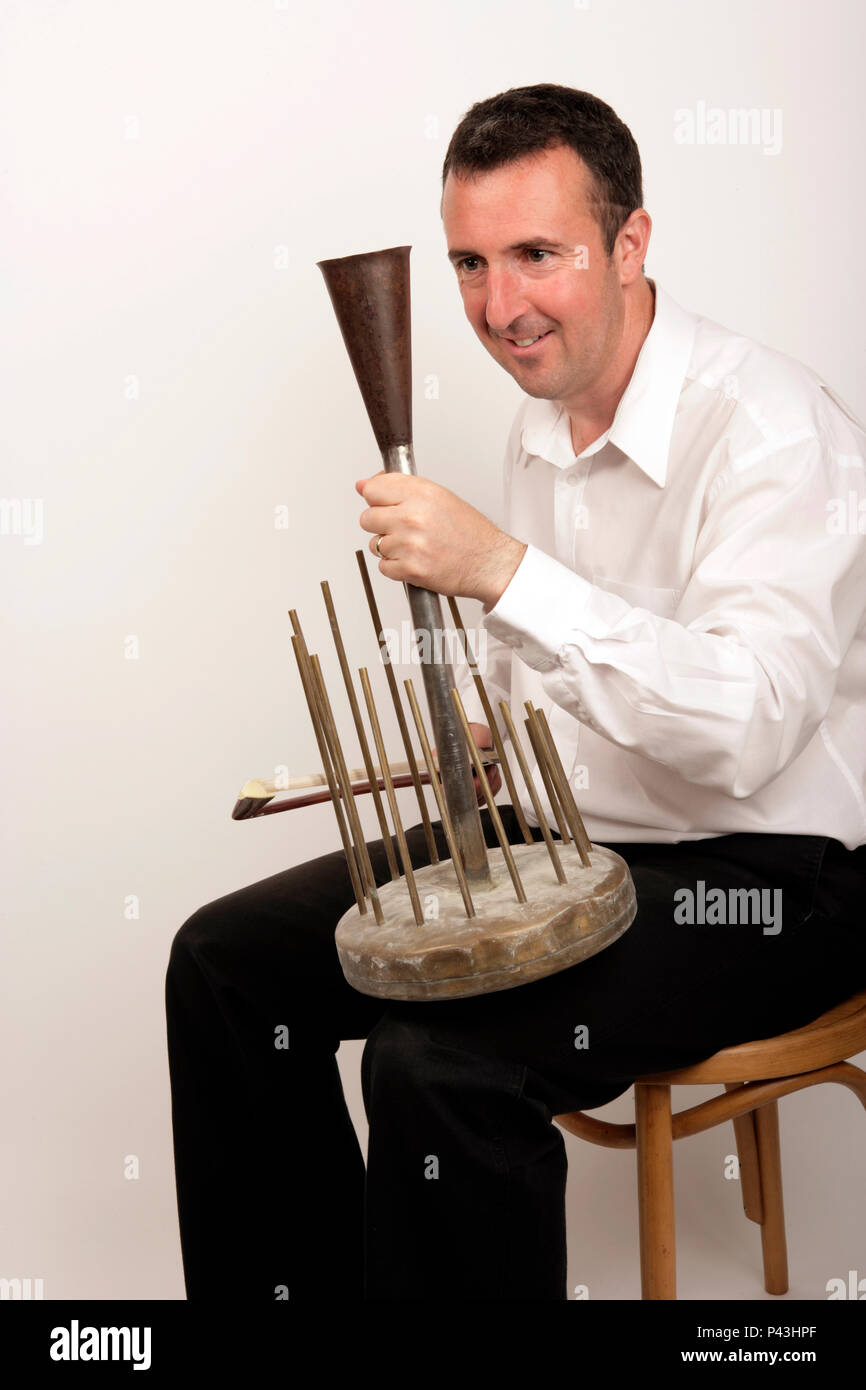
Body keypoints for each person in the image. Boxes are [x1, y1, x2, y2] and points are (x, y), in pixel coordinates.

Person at [165, 84, 866, 1302]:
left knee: (433, 1058)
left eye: (538, 254)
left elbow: (749, 724)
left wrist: (500, 568)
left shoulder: (769, 427)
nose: (501, 308)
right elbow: (551, 674)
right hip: (567, 837)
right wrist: (486, 729)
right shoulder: (538, 432)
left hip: (766, 875)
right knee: (221, 963)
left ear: (630, 242)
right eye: (470, 264)